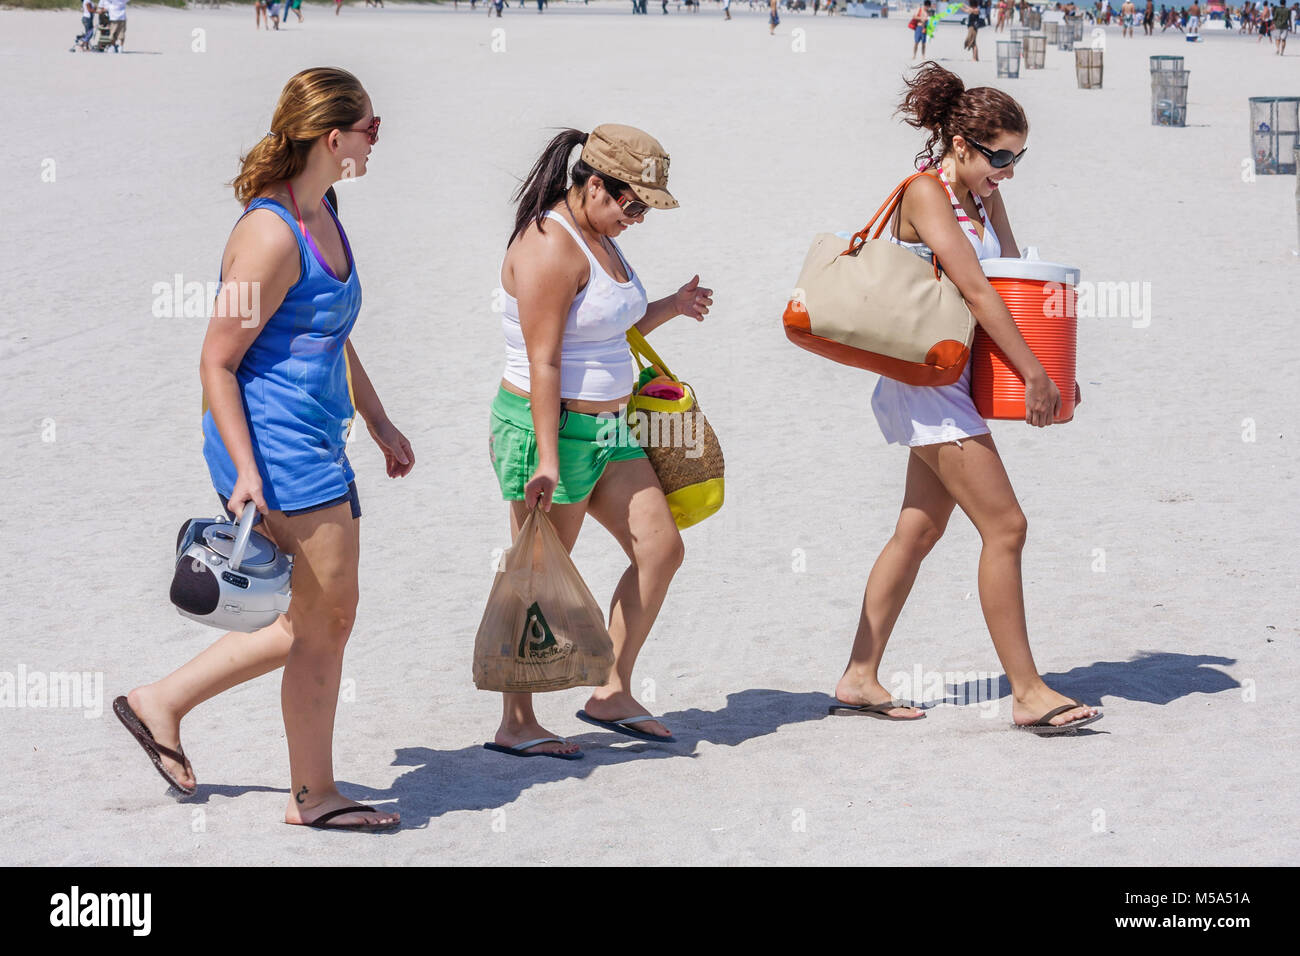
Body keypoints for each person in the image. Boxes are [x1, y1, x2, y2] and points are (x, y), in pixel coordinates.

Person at [116, 68, 414, 829]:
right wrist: (247, 469)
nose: (379, 140)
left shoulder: (325, 211)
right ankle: (313, 797)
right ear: (332, 136)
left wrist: (376, 419)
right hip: (275, 450)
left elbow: (329, 334)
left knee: (315, 619)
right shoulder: (270, 233)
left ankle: (161, 703)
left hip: (316, 436)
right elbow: (218, 358)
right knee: (327, 620)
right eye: (371, 129)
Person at [831, 62, 1101, 735]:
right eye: (999, 157)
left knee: (918, 530)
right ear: (961, 144)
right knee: (1006, 527)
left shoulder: (984, 198)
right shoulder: (926, 193)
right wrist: (1033, 373)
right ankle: (1029, 691)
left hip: (954, 378)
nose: (1007, 170)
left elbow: (1011, 284)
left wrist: (1054, 371)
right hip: (926, 380)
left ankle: (859, 676)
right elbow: (976, 292)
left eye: (1018, 157)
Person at [487, 126, 711, 758]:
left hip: (612, 429)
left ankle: (611, 690)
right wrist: (550, 459)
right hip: (550, 427)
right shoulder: (547, 248)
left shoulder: (600, 234)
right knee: (540, 576)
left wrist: (672, 303)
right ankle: (517, 720)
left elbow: (609, 321)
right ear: (592, 185)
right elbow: (545, 360)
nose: (637, 219)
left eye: (644, 208)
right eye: (632, 205)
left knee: (661, 549)